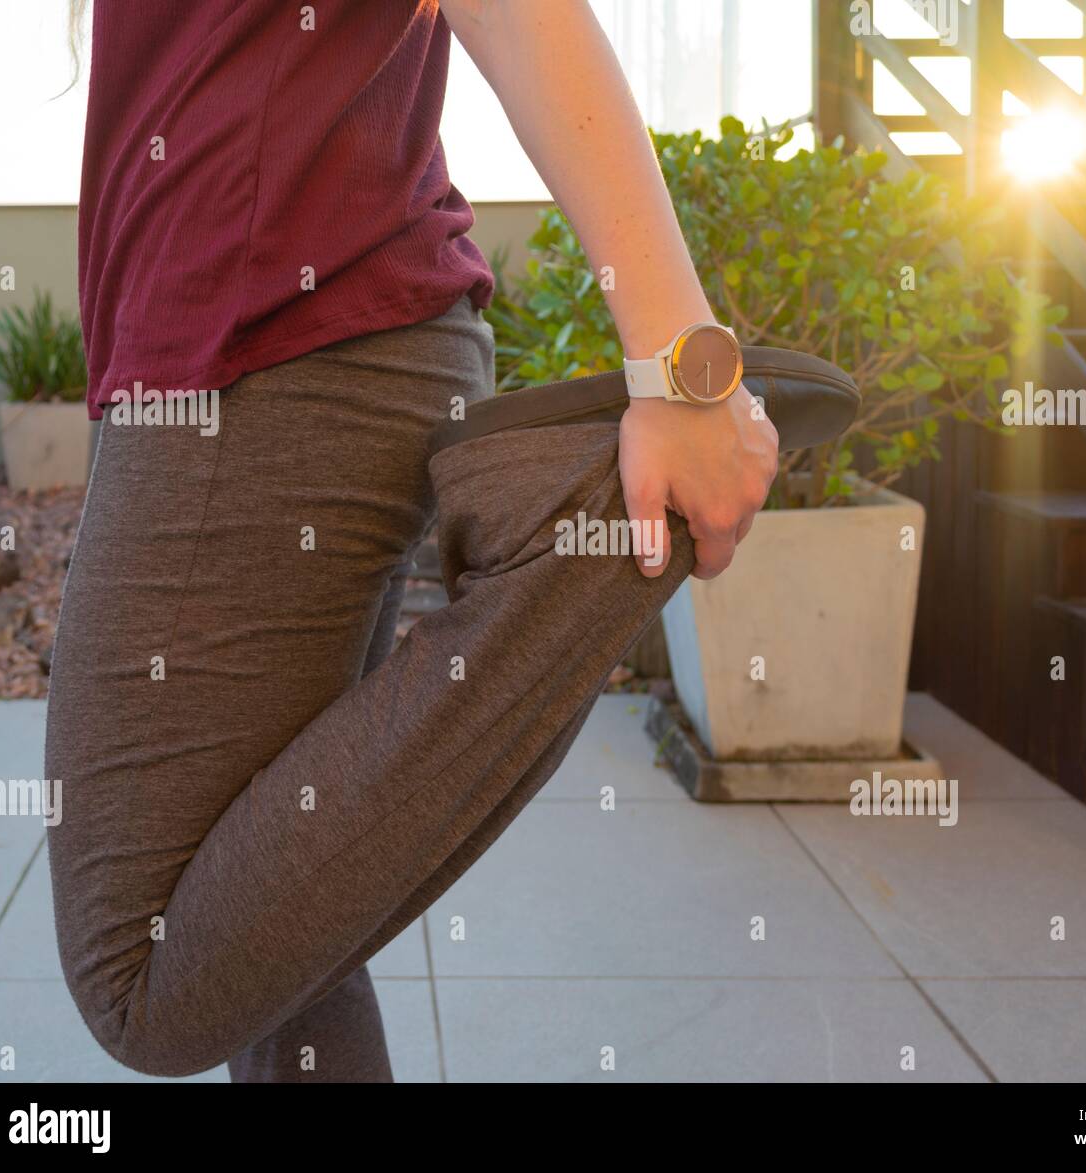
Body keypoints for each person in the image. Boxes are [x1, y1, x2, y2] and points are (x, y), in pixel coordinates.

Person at [47, 0, 778, 1082]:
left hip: (268, 348)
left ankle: (576, 550)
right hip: (271, 337)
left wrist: (681, 367)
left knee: (142, 971)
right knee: (280, 917)